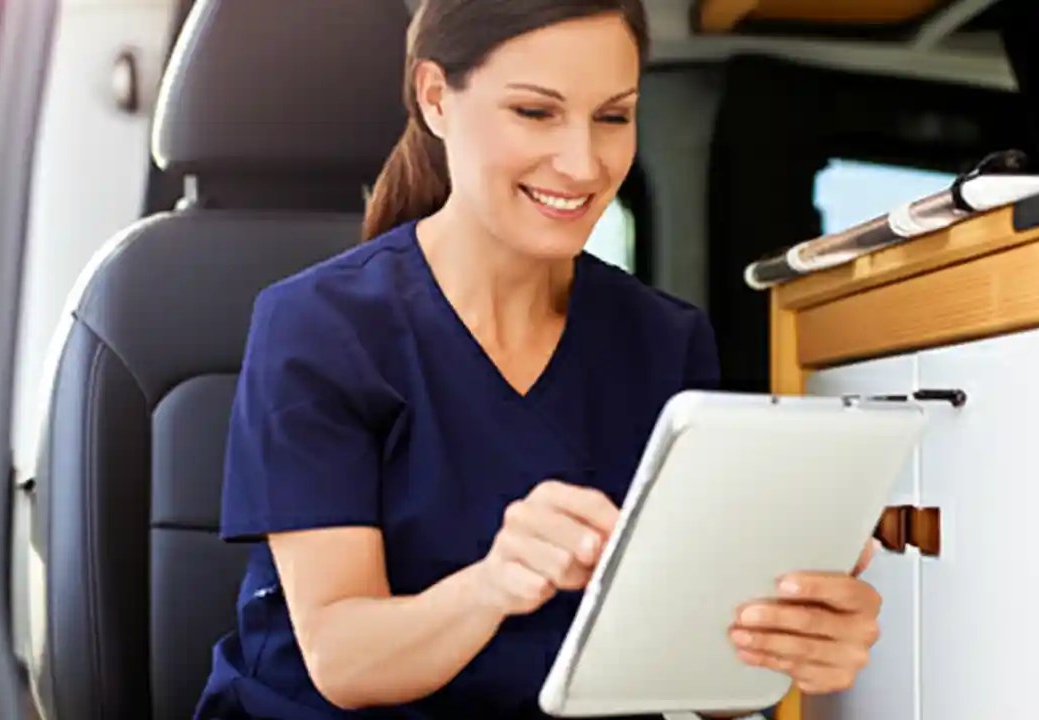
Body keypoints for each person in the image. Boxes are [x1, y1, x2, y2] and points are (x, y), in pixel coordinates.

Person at [194, 1, 883, 718]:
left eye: (613, 117)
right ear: (436, 99)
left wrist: (782, 640)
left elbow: (686, 665)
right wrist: (492, 584)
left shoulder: (662, 342)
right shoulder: (320, 326)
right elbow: (343, 658)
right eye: (534, 112)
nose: (584, 163)